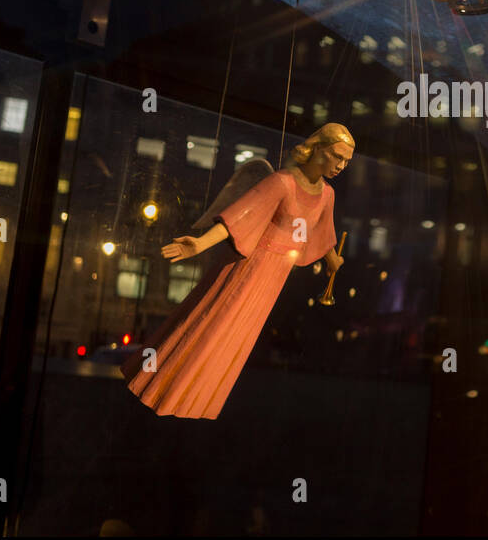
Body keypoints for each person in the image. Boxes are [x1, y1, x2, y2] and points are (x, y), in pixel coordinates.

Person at [121, 123, 354, 419]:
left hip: (275, 277)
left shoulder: (327, 195)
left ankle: (195, 402)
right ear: (318, 147)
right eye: (337, 156)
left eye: (346, 161)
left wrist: (331, 259)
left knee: (234, 341)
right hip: (250, 267)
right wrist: (200, 244)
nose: (341, 166)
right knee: (211, 326)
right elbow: (241, 215)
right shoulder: (282, 182)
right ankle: (161, 388)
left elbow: (320, 232)